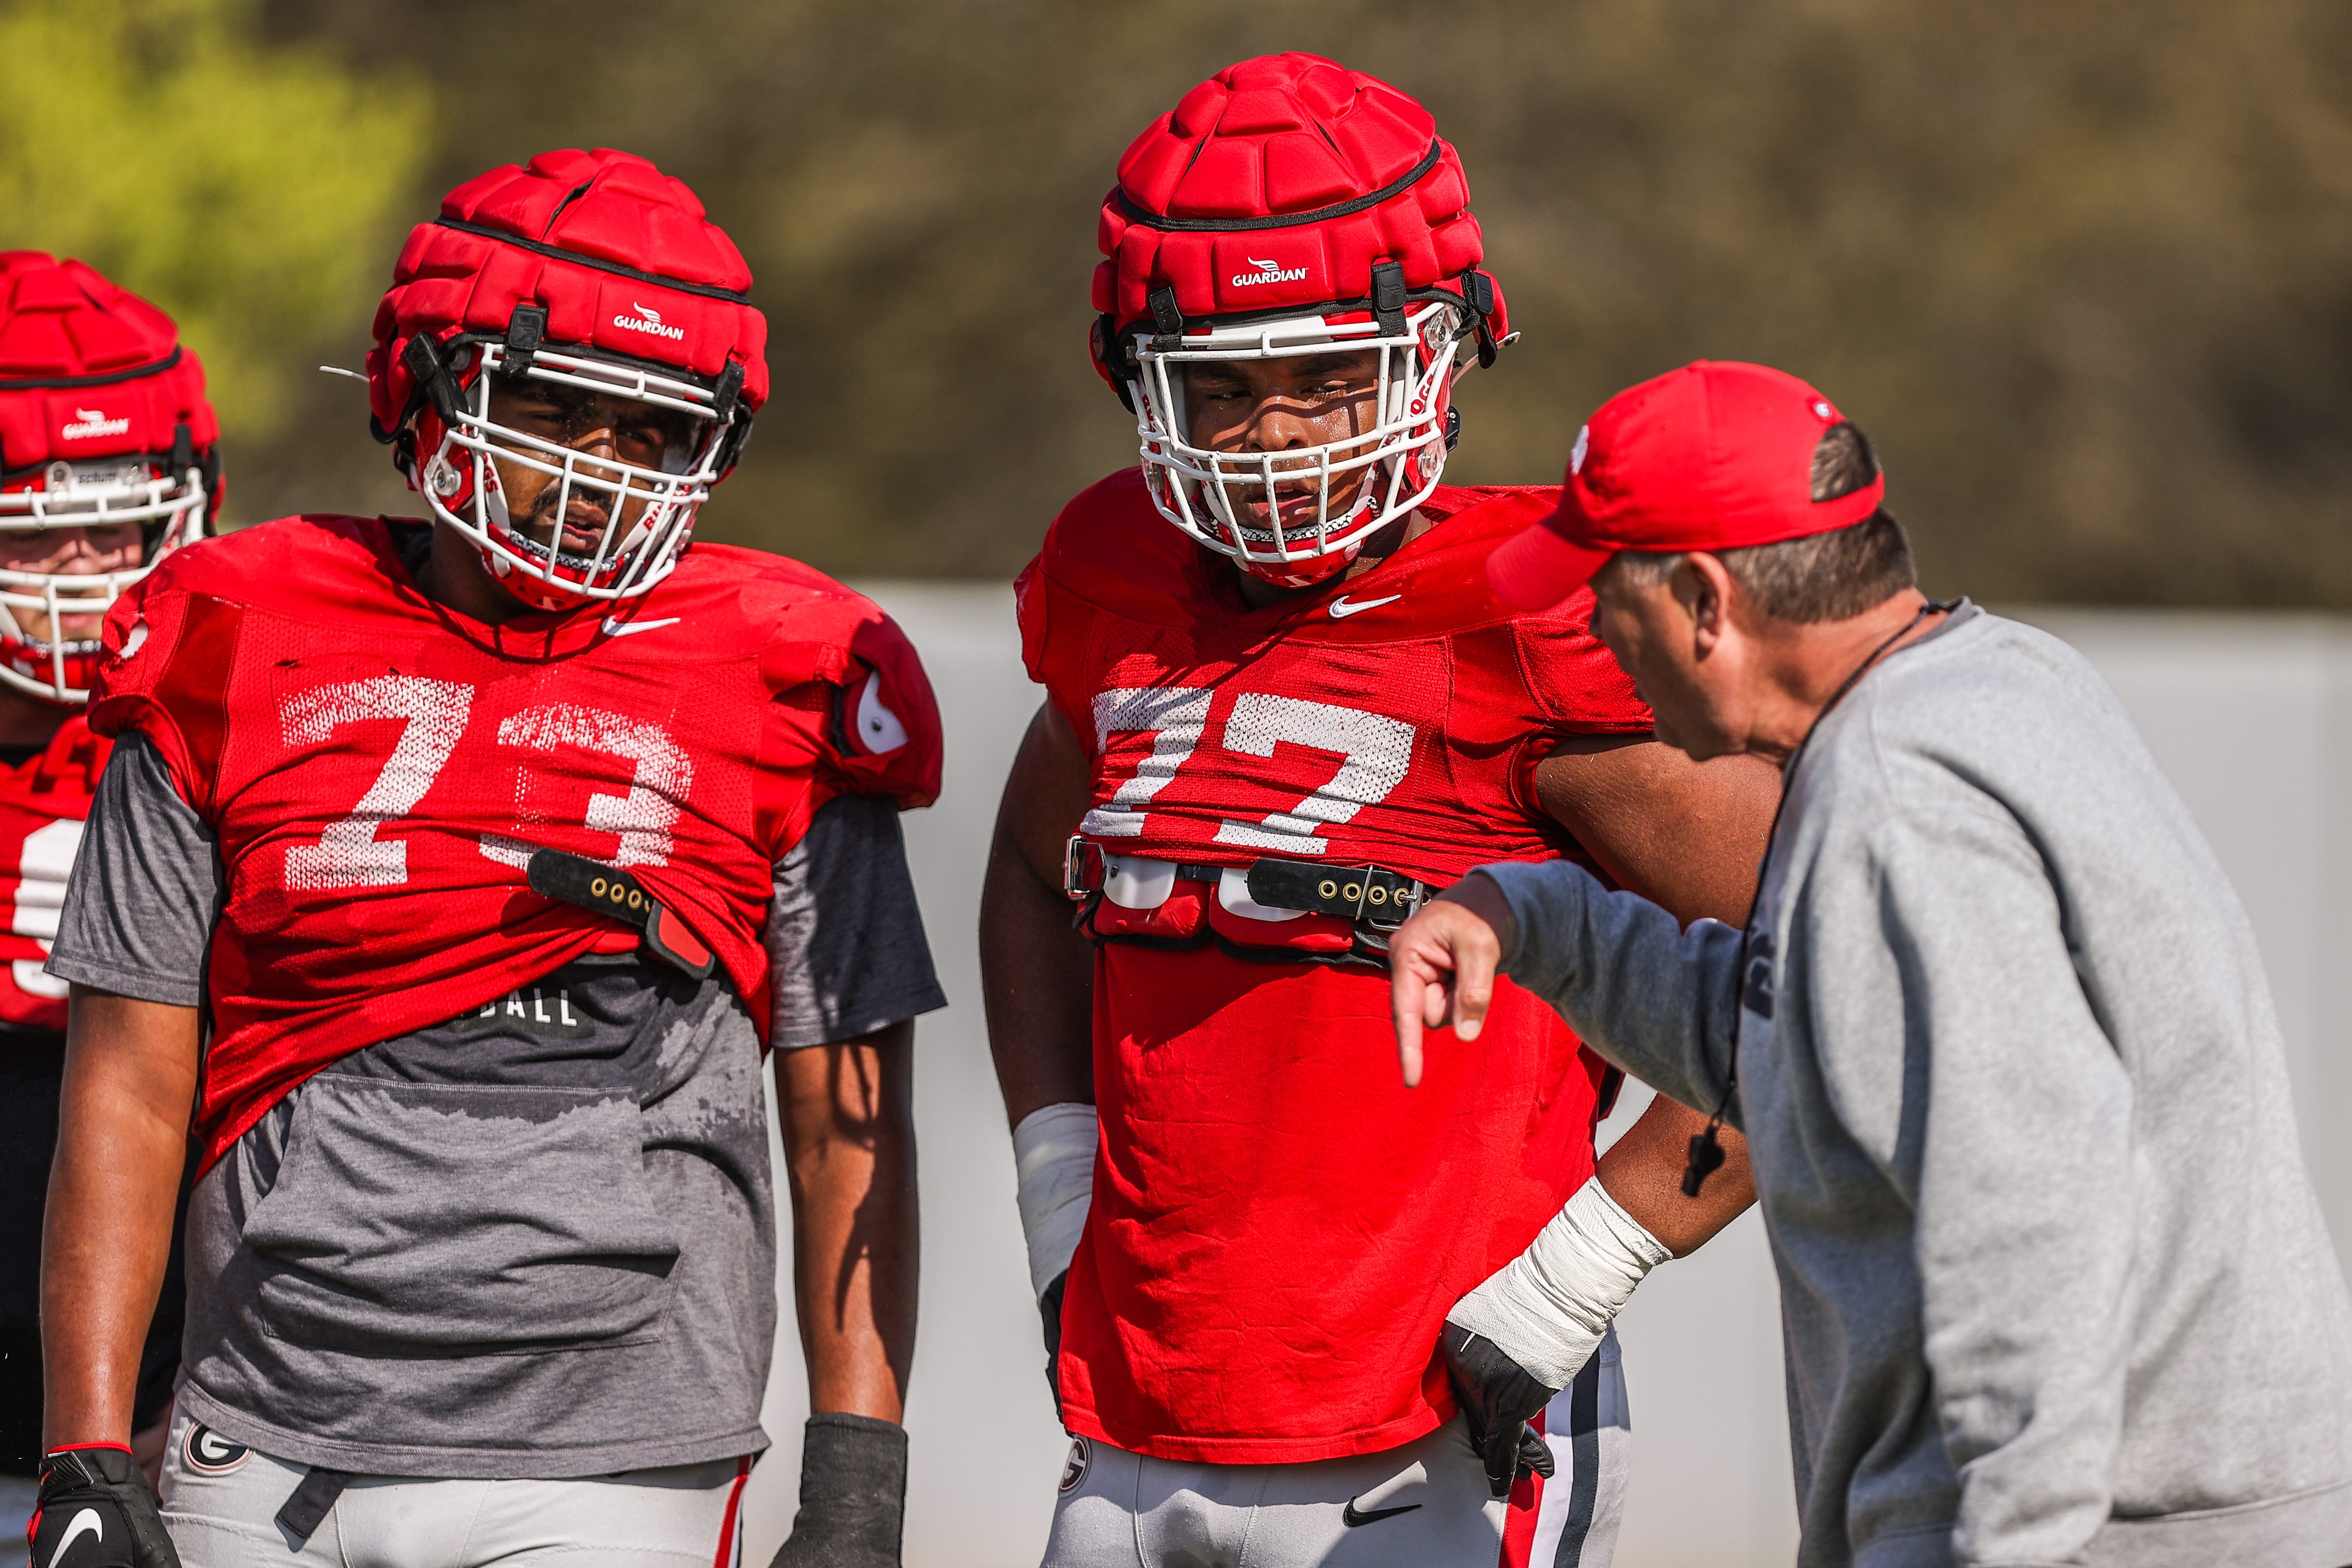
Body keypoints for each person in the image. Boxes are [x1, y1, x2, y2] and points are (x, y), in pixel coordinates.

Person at [34, 150, 945, 1568]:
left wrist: (859, 1479)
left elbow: (847, 1117)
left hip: (618, 1449)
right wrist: (89, 1443)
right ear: (425, 390)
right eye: (550, 410)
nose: (596, 471)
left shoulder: (800, 673)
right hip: (265, 1423)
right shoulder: (227, 630)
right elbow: (130, 1076)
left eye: (648, 430)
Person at [984, 54, 1781, 1568]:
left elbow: (1818, 977)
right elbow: (1036, 870)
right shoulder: (1116, 583)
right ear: (1133, 374)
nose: (1276, 433)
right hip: (1137, 1422)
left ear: (1444, 351)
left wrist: (1589, 1261)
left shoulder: (1530, 615)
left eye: (1325, 375)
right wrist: (1055, 1177)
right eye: (1222, 384)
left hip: (1434, 1437)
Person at [1390, 358, 2352, 1568]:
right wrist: (1525, 916)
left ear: (1701, 599)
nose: (1586, 626)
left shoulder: (1899, 797)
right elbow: (1806, 1042)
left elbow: (2030, 1209)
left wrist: (2013, 1544)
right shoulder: (1993, 680)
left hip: (2083, 1529)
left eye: (1601, 589)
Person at [0, 252, 221, 1551]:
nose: (81, 568)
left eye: (117, 522)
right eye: (34, 522)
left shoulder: (232, 723)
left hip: (159, 1417)